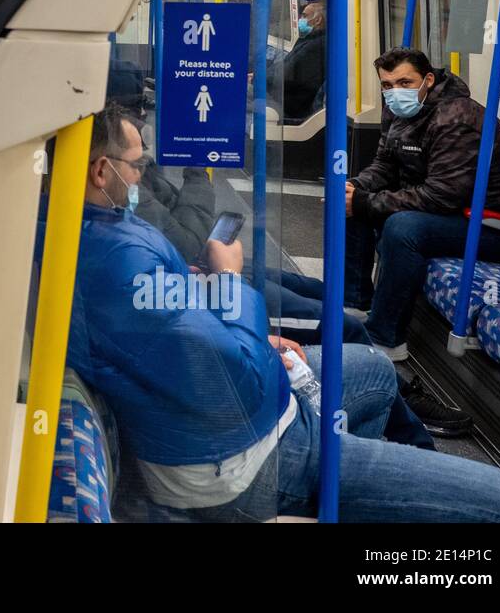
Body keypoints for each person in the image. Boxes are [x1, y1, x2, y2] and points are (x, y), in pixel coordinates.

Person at [35, 102, 500, 522]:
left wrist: (244, 329)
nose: (142, 173)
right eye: (136, 164)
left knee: (375, 368)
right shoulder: (117, 259)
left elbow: (178, 335)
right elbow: (236, 373)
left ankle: (382, 484)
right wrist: (229, 278)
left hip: (237, 419)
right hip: (238, 461)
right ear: (101, 170)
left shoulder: (96, 230)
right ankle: (356, 481)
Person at [127, 120, 459, 441]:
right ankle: (405, 416)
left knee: (320, 292)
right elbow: (186, 240)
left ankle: (393, 394)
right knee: (345, 326)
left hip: (207, 268)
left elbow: (180, 227)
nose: (143, 157)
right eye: (135, 157)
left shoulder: (138, 171)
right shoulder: (129, 188)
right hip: (205, 283)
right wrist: (197, 168)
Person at [346, 47, 500, 359]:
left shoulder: (458, 117)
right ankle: (355, 306)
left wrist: (369, 202)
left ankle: (385, 339)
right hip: (455, 215)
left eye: (405, 83)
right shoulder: (399, 110)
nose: (394, 92)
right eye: (387, 85)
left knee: (401, 227)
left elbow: (442, 194)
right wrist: (356, 187)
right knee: (351, 201)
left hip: (497, 227)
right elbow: (384, 166)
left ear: (429, 80)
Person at [270, 0, 325, 121]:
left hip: (293, 105)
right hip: (291, 97)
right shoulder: (308, 40)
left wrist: (258, 78)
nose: (300, 19)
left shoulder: (315, 46)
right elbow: (287, 65)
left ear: (318, 20)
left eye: (304, 16)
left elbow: (288, 74)